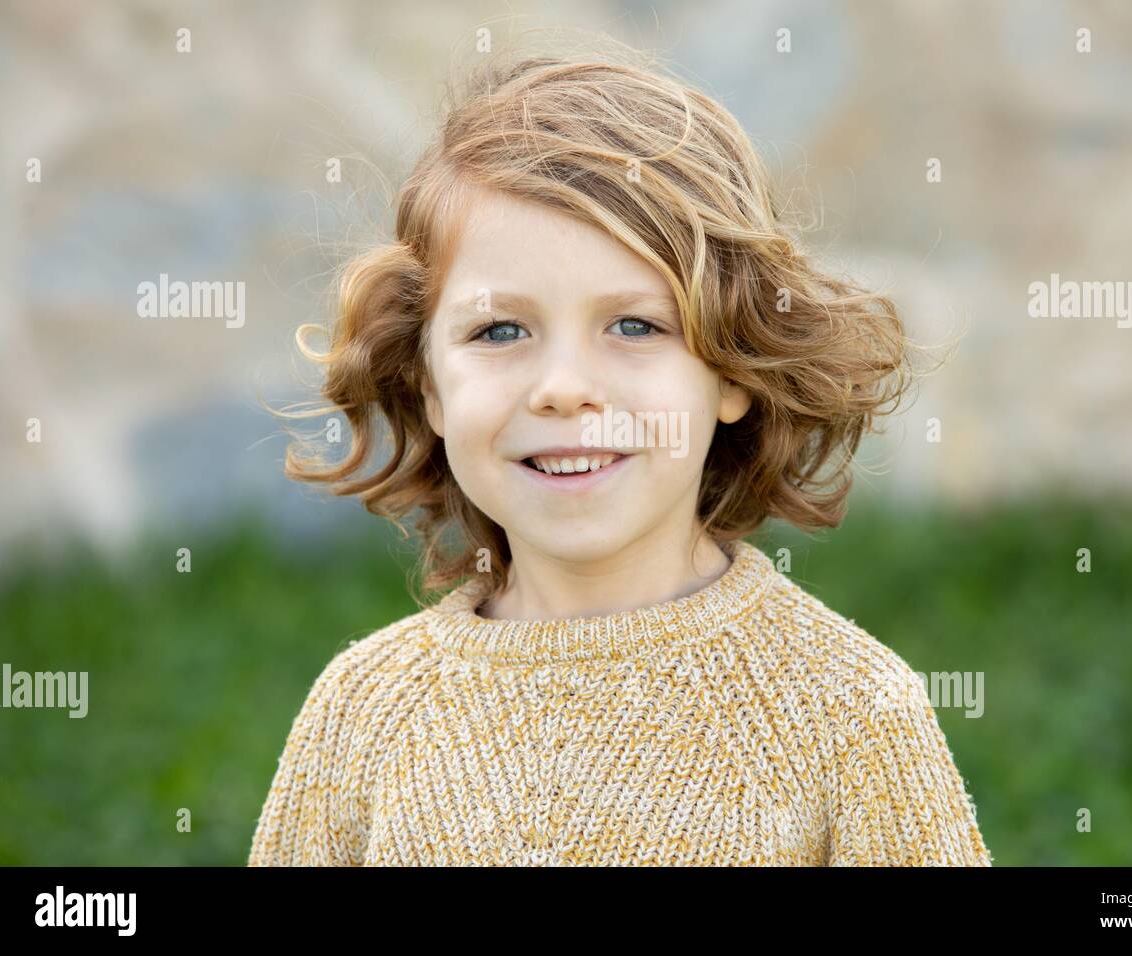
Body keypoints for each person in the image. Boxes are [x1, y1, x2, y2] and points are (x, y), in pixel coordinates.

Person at [248, 30, 991, 867]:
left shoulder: (851, 711)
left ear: (731, 369)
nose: (565, 387)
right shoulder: (363, 712)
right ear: (428, 386)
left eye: (634, 325)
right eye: (500, 330)